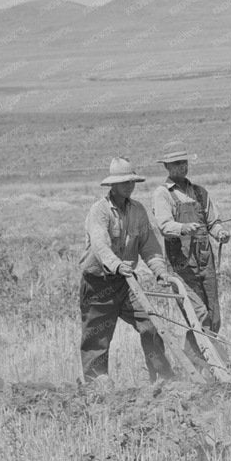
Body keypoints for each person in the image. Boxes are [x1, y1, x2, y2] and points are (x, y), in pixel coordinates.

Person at [79, 158, 176, 383]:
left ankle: (162, 378)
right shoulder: (100, 210)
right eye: (123, 182)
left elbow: (149, 246)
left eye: (131, 181)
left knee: (151, 324)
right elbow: (100, 243)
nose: (128, 185)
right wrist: (116, 264)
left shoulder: (138, 211)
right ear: (112, 184)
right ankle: (97, 384)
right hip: (98, 283)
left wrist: (159, 270)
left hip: (126, 283)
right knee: (97, 336)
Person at [151, 141, 230, 334]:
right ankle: (202, 362)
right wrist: (184, 228)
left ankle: (205, 360)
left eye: (184, 162)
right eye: (177, 163)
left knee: (214, 317)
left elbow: (213, 222)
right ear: (166, 166)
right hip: (182, 267)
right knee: (199, 315)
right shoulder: (163, 194)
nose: (182, 166)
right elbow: (165, 226)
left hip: (205, 263)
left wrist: (220, 233)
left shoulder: (200, 193)